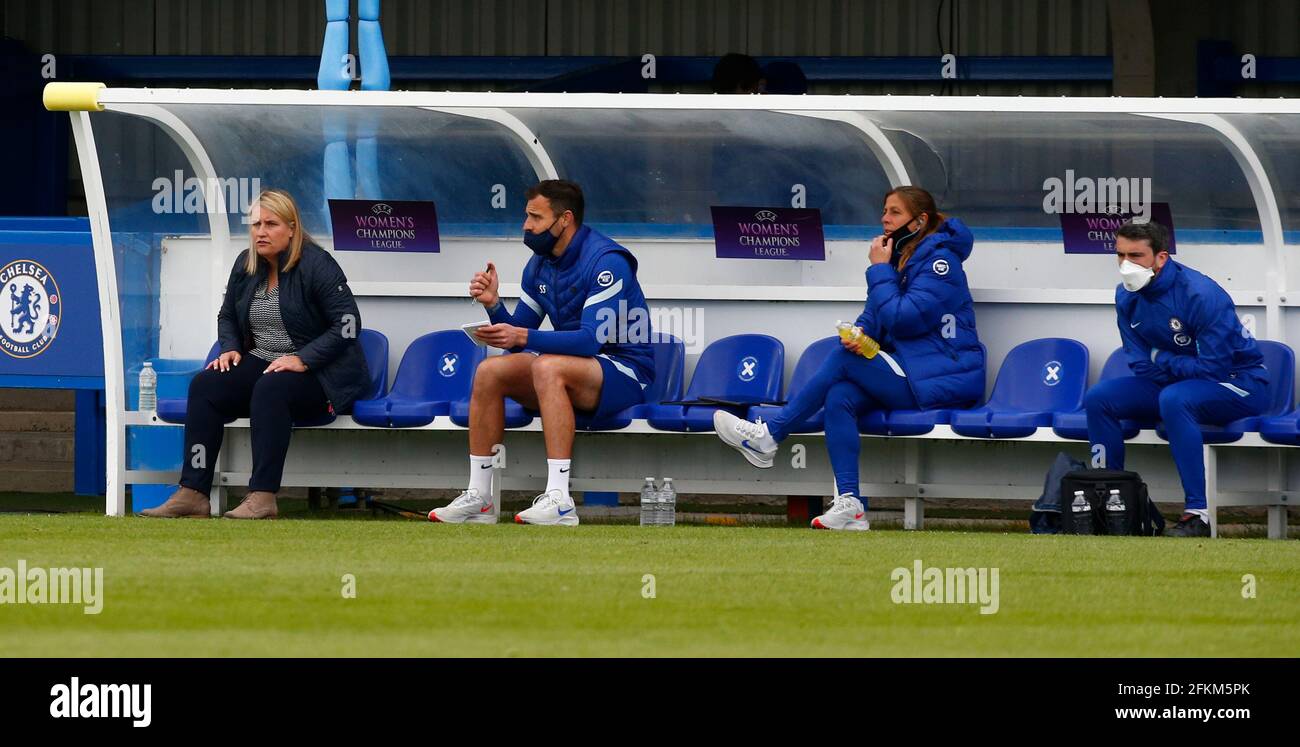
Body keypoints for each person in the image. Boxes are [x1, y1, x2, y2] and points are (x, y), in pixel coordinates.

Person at [713, 187, 985, 530]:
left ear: (920, 222)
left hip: (943, 379)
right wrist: (859, 336)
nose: (885, 218)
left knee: (843, 362)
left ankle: (771, 435)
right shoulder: (900, 260)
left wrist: (878, 271)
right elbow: (875, 316)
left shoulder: (940, 263)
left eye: (895, 212)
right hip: (912, 373)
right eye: (884, 210)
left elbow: (905, 318)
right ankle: (850, 505)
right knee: (839, 395)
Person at [429, 180, 655, 526]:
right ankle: (481, 496)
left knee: (548, 367)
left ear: (564, 219)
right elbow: (520, 334)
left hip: (625, 373)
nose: (526, 226)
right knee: (491, 372)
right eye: (526, 216)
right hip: (573, 370)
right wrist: (494, 306)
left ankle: (560, 500)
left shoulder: (609, 262)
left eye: (535, 217)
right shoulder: (538, 265)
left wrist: (521, 335)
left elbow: (589, 342)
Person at [140, 189, 370, 520]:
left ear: (292, 228)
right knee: (205, 386)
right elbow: (228, 316)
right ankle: (193, 492)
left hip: (321, 376)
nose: (260, 232)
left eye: (271, 224)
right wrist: (231, 348)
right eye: (255, 224)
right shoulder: (246, 265)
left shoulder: (317, 264)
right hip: (264, 363)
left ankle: (262, 495)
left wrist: (302, 359)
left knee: (271, 387)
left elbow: (348, 325)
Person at [1086, 220, 1267, 538]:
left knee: (1175, 399)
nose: (1126, 265)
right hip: (1176, 384)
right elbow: (1139, 363)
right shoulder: (1125, 296)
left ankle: (1197, 515)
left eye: (1136, 256)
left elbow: (1212, 369)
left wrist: (1163, 358)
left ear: (1161, 258)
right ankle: (1111, 505)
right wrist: (1167, 365)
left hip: (1240, 383)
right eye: (1120, 255)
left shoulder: (1200, 294)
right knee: (1099, 398)